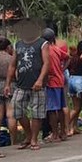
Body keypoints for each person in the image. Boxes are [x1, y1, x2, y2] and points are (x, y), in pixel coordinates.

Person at [8, 22, 51, 150]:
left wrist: (40, 80)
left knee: (37, 112)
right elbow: (12, 65)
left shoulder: (42, 43)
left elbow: (46, 63)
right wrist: (7, 83)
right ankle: (28, 135)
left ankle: (33, 139)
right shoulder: (18, 44)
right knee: (17, 109)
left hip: (37, 84)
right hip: (21, 83)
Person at [43, 28, 68, 143]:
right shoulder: (56, 49)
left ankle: (55, 134)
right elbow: (68, 57)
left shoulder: (46, 50)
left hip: (51, 82)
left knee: (52, 109)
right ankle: (63, 132)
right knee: (61, 108)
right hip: (60, 80)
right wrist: (62, 69)